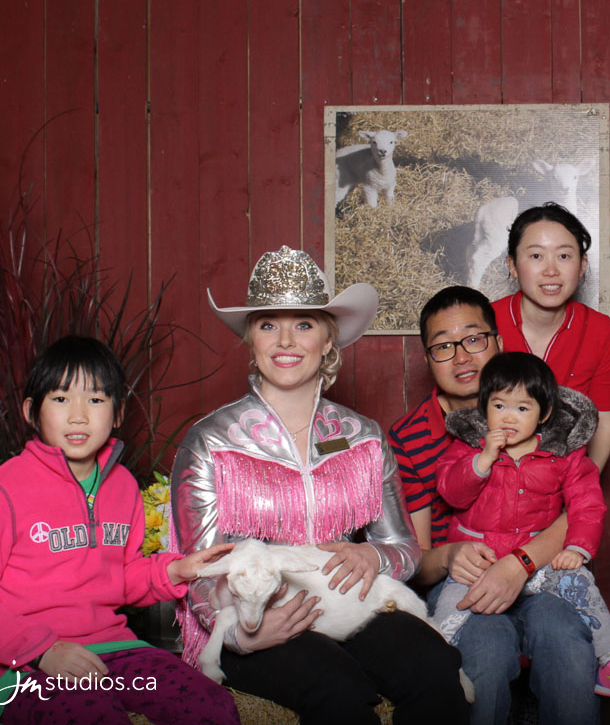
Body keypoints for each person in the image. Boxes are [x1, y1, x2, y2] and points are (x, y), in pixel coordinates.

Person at [171, 246, 469, 725]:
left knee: (436, 669)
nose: (286, 340)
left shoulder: (364, 437)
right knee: (340, 693)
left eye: (304, 324)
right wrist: (242, 633)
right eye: (269, 324)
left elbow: (404, 550)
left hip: (344, 606)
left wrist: (373, 556)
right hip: (258, 619)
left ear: (328, 340)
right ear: (251, 339)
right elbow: (196, 570)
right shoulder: (210, 441)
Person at [0, 336, 239, 725]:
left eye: (95, 400)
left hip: (115, 651)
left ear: (116, 413)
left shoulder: (122, 484)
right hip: (24, 670)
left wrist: (174, 571)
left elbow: (122, 577)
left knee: (208, 704)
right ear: (31, 411)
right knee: (91, 715)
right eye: (61, 399)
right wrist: (44, 652)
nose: (78, 415)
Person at [388, 285, 599, 725]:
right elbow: (418, 562)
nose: (462, 357)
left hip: (543, 575)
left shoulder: (548, 415)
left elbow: (577, 510)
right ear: (427, 359)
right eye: (443, 346)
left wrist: (518, 564)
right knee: (484, 651)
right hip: (467, 589)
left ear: (499, 342)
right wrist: (448, 555)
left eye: (474, 339)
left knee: (564, 640)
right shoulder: (408, 438)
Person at [432, 352, 610, 699]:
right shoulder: (468, 446)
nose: (509, 418)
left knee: (583, 586)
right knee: (451, 609)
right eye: (499, 406)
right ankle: (442, 665)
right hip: (478, 566)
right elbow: (452, 493)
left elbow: (587, 504)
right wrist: (482, 460)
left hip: (538, 566)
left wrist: (578, 547)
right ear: (484, 408)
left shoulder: (562, 455)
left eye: (522, 408)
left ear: (544, 413)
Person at [494, 203, 610, 469]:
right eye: (536, 256)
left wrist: (581, 496)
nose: (551, 270)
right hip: (493, 481)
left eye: (564, 256)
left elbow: (603, 425)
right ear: (512, 265)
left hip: (567, 482)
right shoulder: (487, 323)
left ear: (582, 265)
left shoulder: (600, 331)